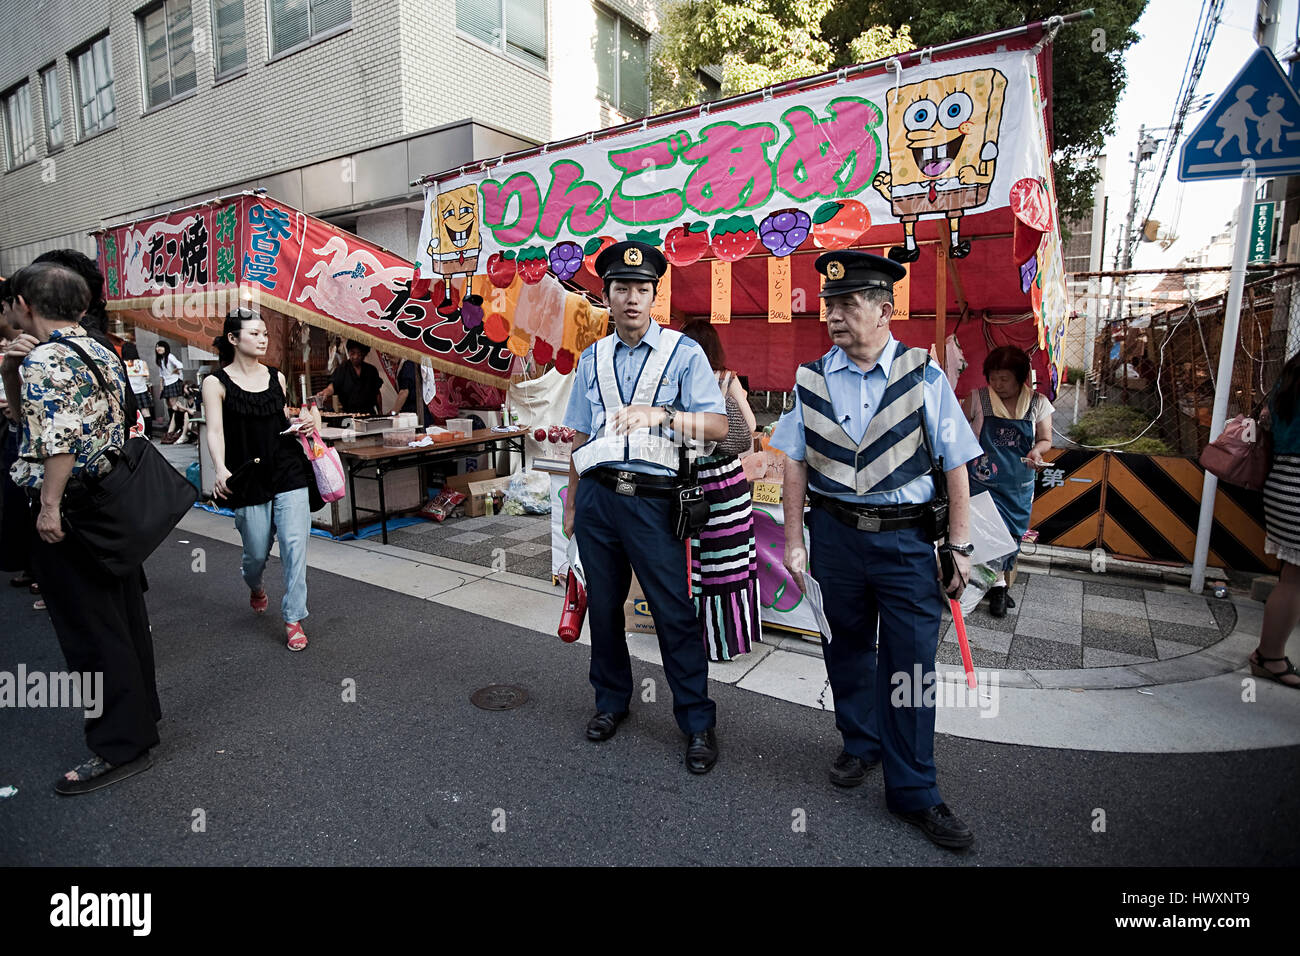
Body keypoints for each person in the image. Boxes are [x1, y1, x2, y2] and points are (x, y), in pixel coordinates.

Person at [771, 250, 982, 849]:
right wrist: (793, 541)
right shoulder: (809, 378)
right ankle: (860, 742)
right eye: (829, 304)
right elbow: (794, 463)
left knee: (910, 665)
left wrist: (960, 547)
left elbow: (957, 463)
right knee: (847, 649)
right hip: (836, 537)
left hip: (909, 541)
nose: (833, 314)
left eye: (848, 303)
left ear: (885, 311)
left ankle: (915, 790)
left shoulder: (924, 373)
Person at [562, 241, 729, 773]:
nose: (631, 298)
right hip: (598, 499)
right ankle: (611, 702)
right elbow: (579, 434)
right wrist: (571, 503)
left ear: (655, 295)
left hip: (655, 502)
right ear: (606, 297)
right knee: (605, 609)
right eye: (620, 289)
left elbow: (720, 428)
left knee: (673, 612)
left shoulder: (684, 353)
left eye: (641, 289)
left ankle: (697, 721)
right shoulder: (591, 358)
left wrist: (662, 415)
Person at [1, 262, 160, 795]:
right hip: (110, 502)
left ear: (25, 303)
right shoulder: (101, 349)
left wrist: (47, 506)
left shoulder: (47, 359)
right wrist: (9, 372)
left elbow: (57, 439)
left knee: (89, 633)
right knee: (123, 617)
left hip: (71, 508)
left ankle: (119, 744)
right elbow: (35, 419)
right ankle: (141, 722)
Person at [202, 308, 321, 651]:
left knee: (295, 546)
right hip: (248, 474)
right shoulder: (215, 383)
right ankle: (255, 585)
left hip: (287, 467)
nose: (262, 339)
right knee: (255, 553)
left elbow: (282, 421)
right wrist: (221, 468)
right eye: (254, 334)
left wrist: (304, 423)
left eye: (265, 334)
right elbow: (214, 431)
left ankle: (293, 617)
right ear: (233, 339)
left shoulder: (277, 377)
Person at [679, 319, 760, 661]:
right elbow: (752, 427)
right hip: (729, 483)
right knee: (731, 559)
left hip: (692, 481)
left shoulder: (679, 381)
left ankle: (697, 636)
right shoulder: (726, 379)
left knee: (699, 558)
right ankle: (728, 641)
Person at [965, 345, 1053, 617]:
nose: (997, 384)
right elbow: (959, 430)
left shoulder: (1038, 403)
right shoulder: (977, 398)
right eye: (992, 377)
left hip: (1018, 484)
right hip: (982, 481)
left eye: (1004, 378)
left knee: (1010, 536)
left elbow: (1045, 439)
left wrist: (1037, 452)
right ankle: (995, 588)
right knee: (982, 534)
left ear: (1020, 377)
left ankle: (996, 583)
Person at [1255, 350, 1300, 688]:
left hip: (1282, 483)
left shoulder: (1289, 377)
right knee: (1294, 581)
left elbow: (1266, 422)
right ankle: (1269, 656)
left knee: (1292, 578)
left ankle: (1269, 655)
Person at [0, 281, 39, 607]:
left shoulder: (40, 351)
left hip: (40, 452)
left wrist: (51, 505)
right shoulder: (17, 349)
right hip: (23, 438)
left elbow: (58, 439)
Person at [314, 339, 382, 414]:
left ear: (364, 354)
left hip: (369, 414)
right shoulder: (342, 369)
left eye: (359, 354)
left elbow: (377, 394)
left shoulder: (371, 370)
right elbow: (331, 387)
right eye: (352, 353)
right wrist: (325, 393)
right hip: (349, 415)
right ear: (348, 352)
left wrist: (380, 411)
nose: (355, 356)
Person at [155, 339, 187, 441]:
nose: (158, 348)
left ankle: (175, 424)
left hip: (174, 381)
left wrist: (174, 371)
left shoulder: (170, 356)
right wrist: (161, 386)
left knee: (173, 403)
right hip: (167, 382)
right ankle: (172, 422)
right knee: (168, 404)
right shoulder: (160, 359)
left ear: (166, 348)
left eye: (160, 346)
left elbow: (180, 365)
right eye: (157, 347)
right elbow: (161, 374)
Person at [122, 341, 154, 436]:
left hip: (130, 391)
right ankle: (149, 433)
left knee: (131, 413)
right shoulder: (142, 363)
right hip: (142, 390)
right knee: (146, 412)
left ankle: (134, 433)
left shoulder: (124, 363)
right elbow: (147, 377)